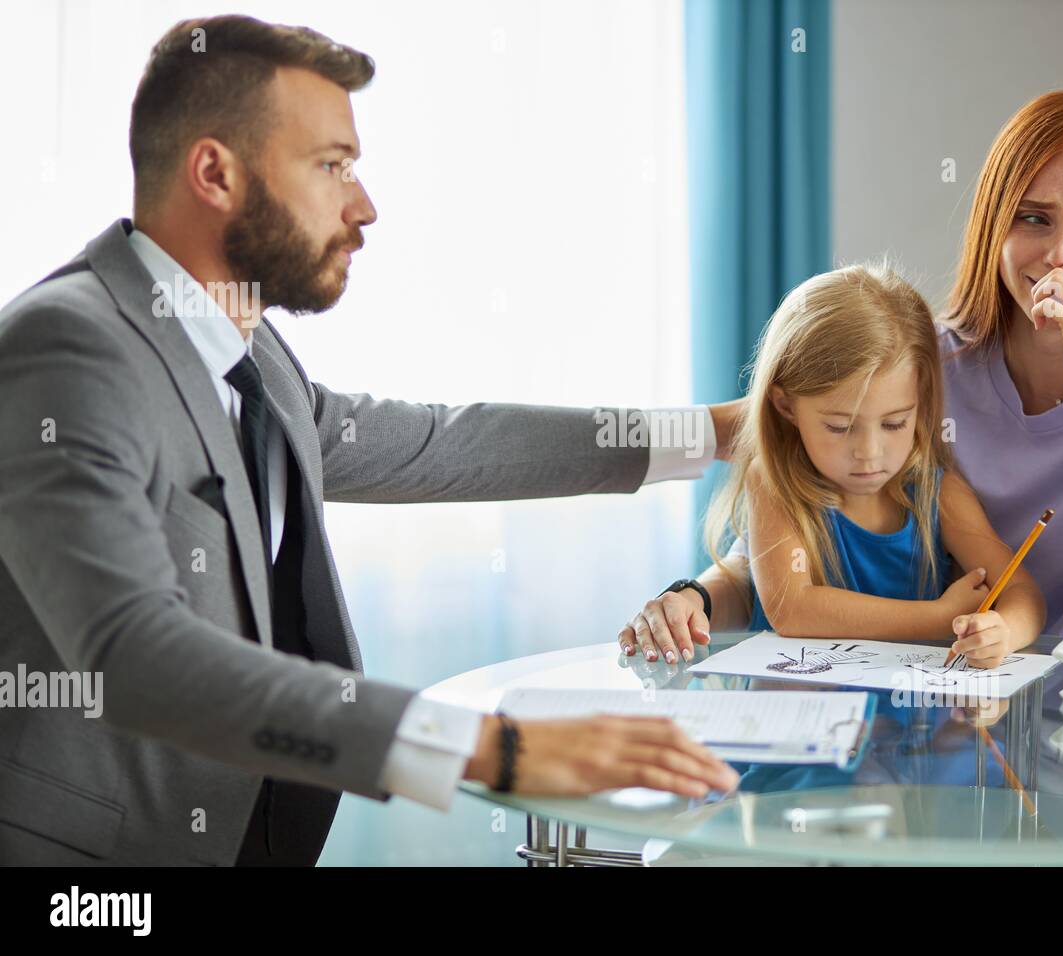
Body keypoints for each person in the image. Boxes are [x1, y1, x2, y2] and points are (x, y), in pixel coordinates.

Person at [0, 14, 740, 866]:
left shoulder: (255, 359)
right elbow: (135, 655)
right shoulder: (71, 347)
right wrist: (488, 748)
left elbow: (440, 446)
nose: (365, 206)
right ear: (215, 172)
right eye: (333, 166)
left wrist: (714, 433)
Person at [621, 88, 1063, 662]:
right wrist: (691, 592)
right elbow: (770, 451)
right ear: (993, 223)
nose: (1060, 254)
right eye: (1033, 217)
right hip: (951, 742)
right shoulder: (928, 359)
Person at [680, 261, 1045, 667]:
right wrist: (938, 617)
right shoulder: (774, 483)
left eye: (894, 423)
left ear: (921, 400)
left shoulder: (938, 493)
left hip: (907, 722)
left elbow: (1023, 593)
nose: (870, 452)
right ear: (787, 406)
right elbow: (794, 610)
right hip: (792, 717)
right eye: (840, 427)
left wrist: (1004, 631)